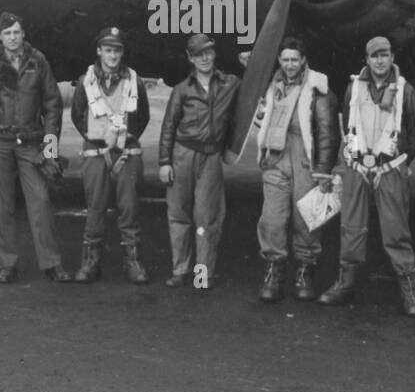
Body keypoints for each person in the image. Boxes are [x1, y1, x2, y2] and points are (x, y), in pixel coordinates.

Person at [320, 36, 415, 316]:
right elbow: (346, 123)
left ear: (392, 57)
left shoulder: (407, 91)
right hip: (356, 167)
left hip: (390, 167)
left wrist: (397, 163)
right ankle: (345, 283)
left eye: (385, 55)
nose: (380, 60)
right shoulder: (354, 88)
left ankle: (410, 290)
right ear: (366, 59)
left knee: (396, 228)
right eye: (374, 56)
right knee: (351, 225)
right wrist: (356, 160)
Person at [0, 11, 70, 283]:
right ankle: (7, 264)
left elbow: (52, 103)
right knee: (2, 205)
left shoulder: (38, 60)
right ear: (0, 37)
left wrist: (50, 144)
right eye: (7, 33)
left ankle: (51, 263)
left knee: (41, 201)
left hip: (31, 141)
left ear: (24, 34)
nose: (12, 37)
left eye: (16, 32)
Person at [254, 36, 339, 302]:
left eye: (294, 59)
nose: (290, 64)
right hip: (276, 158)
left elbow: (327, 132)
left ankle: (304, 273)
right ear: (279, 60)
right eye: (285, 59)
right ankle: (273, 273)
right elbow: (264, 120)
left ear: (303, 60)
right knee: (272, 219)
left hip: (305, 159)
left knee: (307, 221)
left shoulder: (317, 88)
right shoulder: (272, 86)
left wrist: (324, 170)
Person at [70, 27, 151, 284]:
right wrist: (97, 137)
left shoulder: (134, 81)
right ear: (99, 51)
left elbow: (143, 116)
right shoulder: (86, 80)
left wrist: (124, 139)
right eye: (108, 50)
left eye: (117, 50)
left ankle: (133, 262)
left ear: (122, 52)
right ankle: (90, 263)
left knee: (129, 208)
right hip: (95, 152)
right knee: (95, 208)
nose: (112, 55)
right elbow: (77, 114)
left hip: (126, 152)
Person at [158, 33, 239, 290]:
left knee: (207, 217)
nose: (204, 58)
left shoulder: (231, 83)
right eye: (198, 54)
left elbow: (255, 90)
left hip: (211, 156)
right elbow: (168, 126)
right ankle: (180, 270)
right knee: (178, 214)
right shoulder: (182, 89)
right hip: (182, 153)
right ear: (190, 58)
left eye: (208, 52)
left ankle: (202, 273)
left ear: (214, 54)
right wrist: (164, 162)